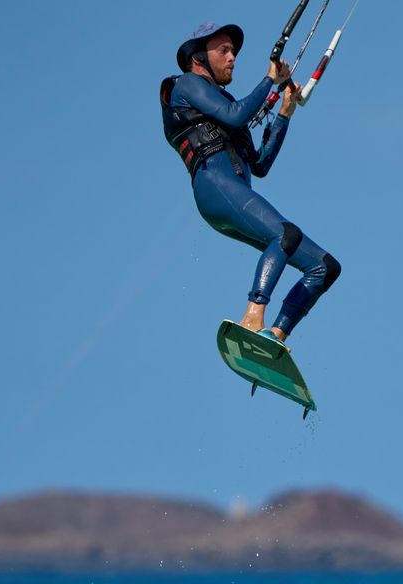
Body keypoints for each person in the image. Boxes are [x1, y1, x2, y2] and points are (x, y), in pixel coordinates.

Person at [160, 22, 341, 348]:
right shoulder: (186, 84)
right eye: (224, 51)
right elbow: (236, 116)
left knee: (324, 267)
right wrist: (270, 78)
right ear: (198, 57)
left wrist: (284, 114)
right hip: (214, 187)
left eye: (233, 52)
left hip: (236, 190)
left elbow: (260, 165)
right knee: (285, 234)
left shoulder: (224, 101)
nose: (232, 58)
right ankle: (251, 319)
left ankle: (275, 336)